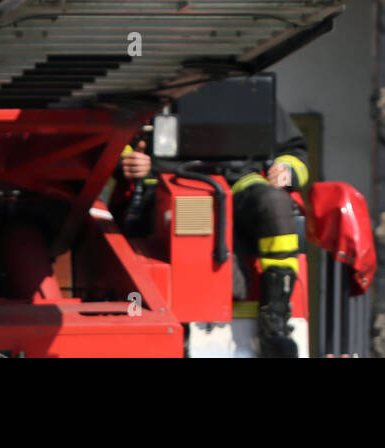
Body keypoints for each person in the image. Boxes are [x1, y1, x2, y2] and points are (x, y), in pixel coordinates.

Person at [112, 102, 310, 358]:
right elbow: (107, 137)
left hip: (240, 180)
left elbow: (295, 150)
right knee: (189, 214)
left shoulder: (248, 90)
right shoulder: (153, 83)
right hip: (162, 181)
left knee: (274, 204)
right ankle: (177, 323)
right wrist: (125, 160)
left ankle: (275, 317)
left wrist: (287, 171)